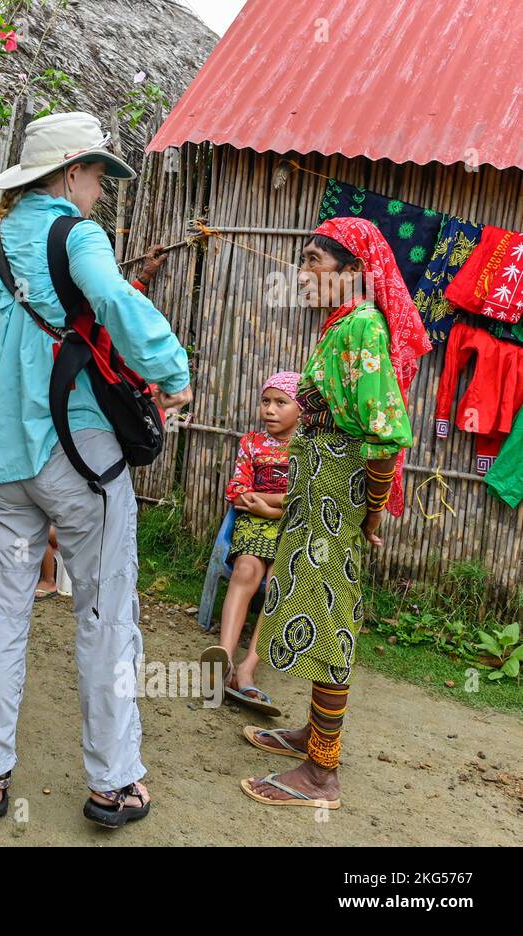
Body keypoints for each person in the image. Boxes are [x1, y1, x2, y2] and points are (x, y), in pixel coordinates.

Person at [0, 111, 193, 828]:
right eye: (96, 177)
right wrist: (172, 372)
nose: (99, 192)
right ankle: (115, 782)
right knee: (105, 611)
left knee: (1, 609)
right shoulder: (77, 235)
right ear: (69, 172)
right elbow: (117, 300)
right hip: (80, 452)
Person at [241, 217, 427, 811]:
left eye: (315, 263)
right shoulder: (340, 327)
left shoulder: (364, 327)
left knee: (331, 620)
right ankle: (311, 736)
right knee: (317, 616)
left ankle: (321, 774)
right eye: (302, 261)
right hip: (317, 493)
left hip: (336, 498)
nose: (302, 274)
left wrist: (370, 513)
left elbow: (385, 432)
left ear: (352, 273)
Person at [202, 371, 300, 714]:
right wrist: (265, 503)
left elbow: (305, 499)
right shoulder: (252, 444)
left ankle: (248, 669)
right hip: (254, 523)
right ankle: (225, 661)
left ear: (301, 409)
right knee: (246, 569)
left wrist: (271, 507)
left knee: (279, 581)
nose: (270, 410)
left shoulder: (307, 448)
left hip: (291, 526)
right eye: (265, 401)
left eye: (281, 403)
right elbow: (235, 491)